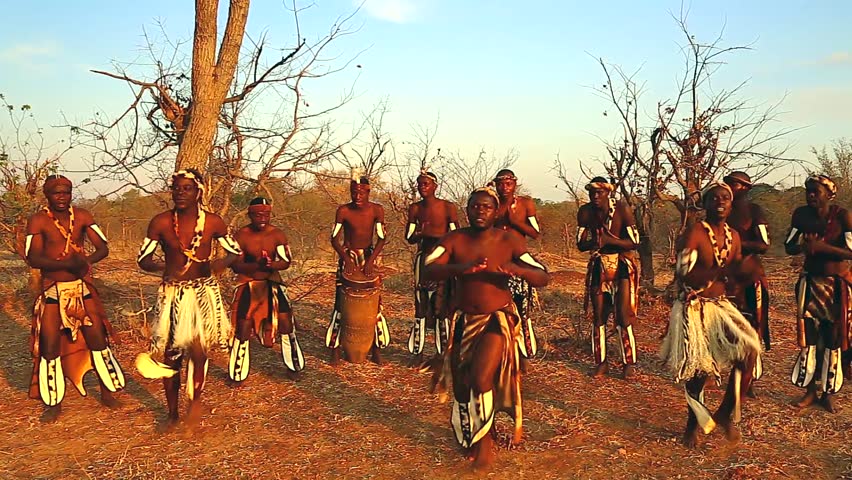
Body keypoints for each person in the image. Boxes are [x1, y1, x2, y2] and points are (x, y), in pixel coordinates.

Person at [425, 186, 550, 470]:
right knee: (462, 385)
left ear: (495, 212)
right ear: (467, 209)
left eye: (486, 207)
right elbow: (429, 267)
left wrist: (518, 270)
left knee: (481, 378)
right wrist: (462, 268)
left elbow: (543, 276)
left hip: (497, 319)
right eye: (475, 206)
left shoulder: (508, 241)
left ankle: (484, 445)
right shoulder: (454, 239)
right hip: (464, 321)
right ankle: (481, 430)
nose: (480, 211)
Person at [135, 169, 241, 429]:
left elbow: (235, 252)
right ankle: (172, 413)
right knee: (172, 355)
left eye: (187, 188)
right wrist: (163, 267)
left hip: (203, 293)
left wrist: (221, 264)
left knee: (199, 350)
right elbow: (143, 259)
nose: (180, 193)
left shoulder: (213, 223)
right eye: (177, 188)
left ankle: (194, 403)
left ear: (199, 192)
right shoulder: (161, 222)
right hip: (173, 295)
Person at [660, 181, 762, 448]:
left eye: (725, 198)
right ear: (704, 204)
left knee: (749, 350)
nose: (720, 202)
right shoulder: (694, 232)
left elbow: (735, 271)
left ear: (731, 205)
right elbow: (684, 274)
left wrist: (745, 275)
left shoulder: (733, 236)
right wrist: (722, 272)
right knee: (699, 370)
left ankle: (725, 413)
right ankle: (691, 426)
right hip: (693, 307)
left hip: (719, 305)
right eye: (714, 198)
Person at [25, 174, 126, 422]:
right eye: (56, 193)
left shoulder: (81, 216)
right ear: (47, 195)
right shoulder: (38, 220)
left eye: (66, 192)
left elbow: (103, 247)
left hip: (81, 287)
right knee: (49, 345)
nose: (62, 197)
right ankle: (53, 403)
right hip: (53, 289)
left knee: (98, 339)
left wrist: (84, 262)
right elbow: (33, 257)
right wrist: (65, 264)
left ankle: (107, 392)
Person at [784, 175, 852, 413]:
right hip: (810, 282)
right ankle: (810, 391)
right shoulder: (801, 215)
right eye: (808, 191)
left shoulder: (843, 216)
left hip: (836, 285)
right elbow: (789, 246)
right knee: (809, 338)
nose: (811, 195)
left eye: (816, 191)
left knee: (833, 338)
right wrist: (803, 246)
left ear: (829, 194)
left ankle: (828, 393)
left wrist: (823, 248)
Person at [228, 197, 304, 382]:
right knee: (243, 325)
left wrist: (270, 264)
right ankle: (237, 374)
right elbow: (235, 265)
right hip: (248, 283)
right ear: (250, 215)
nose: (262, 218)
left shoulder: (276, 234)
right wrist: (256, 265)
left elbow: (285, 261)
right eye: (257, 214)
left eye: (266, 214)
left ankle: (293, 366)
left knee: (285, 322)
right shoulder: (241, 235)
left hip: (272, 282)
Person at [576, 176, 641, 378]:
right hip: (599, 264)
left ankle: (628, 363)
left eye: (600, 192)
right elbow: (580, 244)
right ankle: (601, 362)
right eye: (592, 193)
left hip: (621, 265)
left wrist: (609, 241)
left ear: (608, 193)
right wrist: (594, 243)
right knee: (599, 315)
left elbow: (634, 241)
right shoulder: (585, 212)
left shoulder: (622, 209)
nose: (596, 196)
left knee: (623, 315)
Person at [325, 171, 390, 364]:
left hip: (370, 255)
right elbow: (334, 239)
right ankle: (335, 348)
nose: (357, 196)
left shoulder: (377, 210)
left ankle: (376, 348)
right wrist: (347, 259)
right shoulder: (343, 211)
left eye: (362, 192)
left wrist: (370, 262)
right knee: (340, 301)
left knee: (376, 302)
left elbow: (382, 238)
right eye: (354, 192)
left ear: (368, 192)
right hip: (349, 255)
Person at [405, 171, 459, 364]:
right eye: (420, 184)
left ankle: (442, 353)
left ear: (435, 186)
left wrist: (437, 238)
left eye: (426, 184)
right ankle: (417, 352)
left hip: (443, 261)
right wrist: (421, 234)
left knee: (441, 306)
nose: (422, 187)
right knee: (420, 304)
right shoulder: (415, 208)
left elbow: (455, 235)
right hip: (423, 260)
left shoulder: (448, 207)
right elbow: (409, 237)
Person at [724, 171, 770, 397]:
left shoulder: (754, 211)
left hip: (750, 278)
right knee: (723, 327)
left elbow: (764, 244)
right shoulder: (720, 210)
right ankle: (715, 372)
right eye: (729, 184)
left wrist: (736, 243)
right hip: (724, 279)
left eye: (735, 184)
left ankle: (748, 379)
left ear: (746, 188)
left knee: (752, 328)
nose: (730, 188)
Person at [493, 169, 541, 363]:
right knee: (499, 307)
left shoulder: (525, 204)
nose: (504, 187)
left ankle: (523, 353)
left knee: (521, 307)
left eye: (508, 183)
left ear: (515, 184)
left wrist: (515, 221)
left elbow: (535, 233)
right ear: (495, 185)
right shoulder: (492, 205)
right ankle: (501, 351)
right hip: (497, 261)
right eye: (500, 184)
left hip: (519, 261)